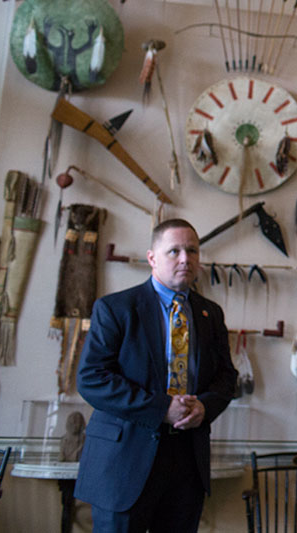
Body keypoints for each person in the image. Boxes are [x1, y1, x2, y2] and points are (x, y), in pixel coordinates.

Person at [75, 218, 236, 532]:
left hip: (187, 463)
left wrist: (205, 407)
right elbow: (92, 378)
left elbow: (226, 377)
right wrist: (161, 408)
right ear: (152, 258)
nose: (185, 259)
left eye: (192, 251)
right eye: (174, 251)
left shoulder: (211, 314)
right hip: (123, 464)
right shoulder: (116, 308)